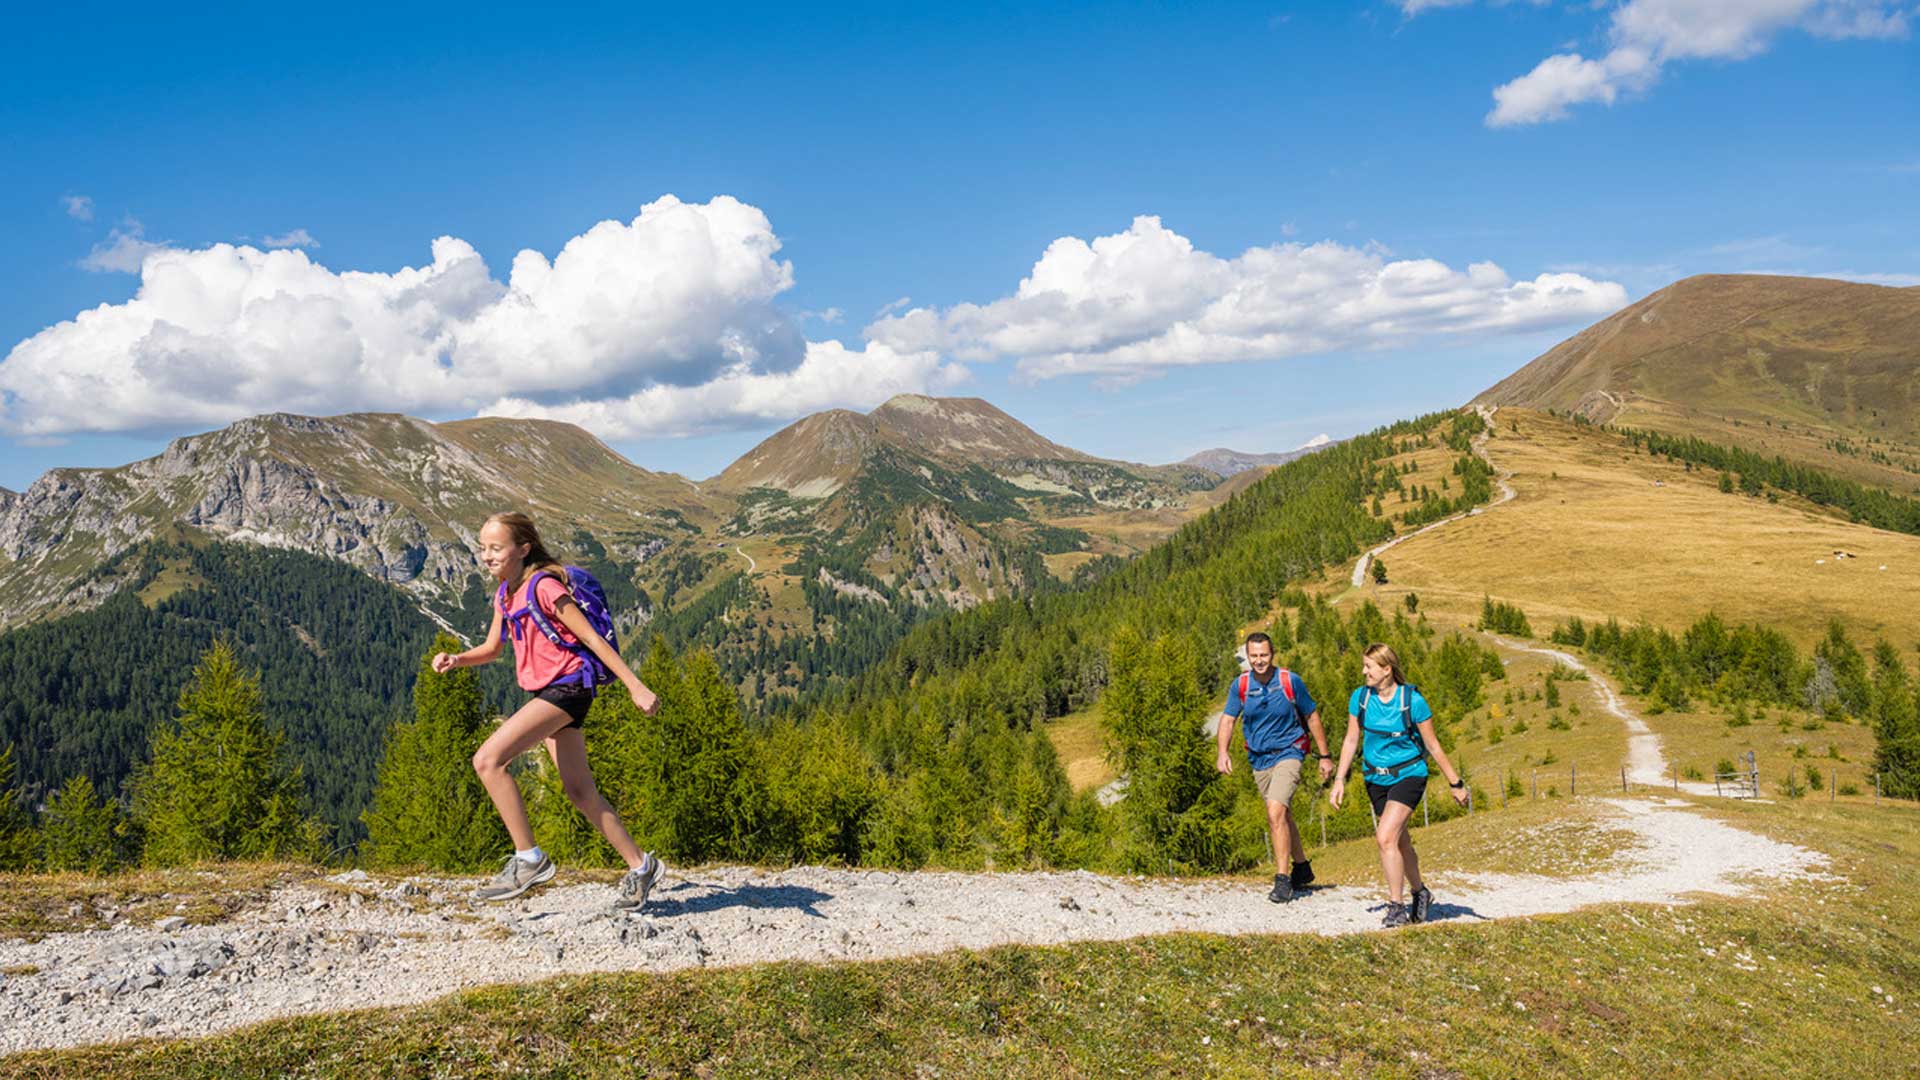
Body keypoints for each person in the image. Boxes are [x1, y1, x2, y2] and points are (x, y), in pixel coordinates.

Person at [432, 511, 665, 908]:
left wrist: (635, 685)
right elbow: (492, 649)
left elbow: (591, 637)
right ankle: (642, 866)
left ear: (523, 549)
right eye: (482, 548)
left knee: (488, 760)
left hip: (569, 687)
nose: (486, 556)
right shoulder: (505, 592)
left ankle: (529, 860)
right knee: (580, 791)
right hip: (553, 690)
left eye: (496, 548)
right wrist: (458, 659)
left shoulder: (543, 587)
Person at [1328, 643, 1468, 927]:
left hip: (1409, 775)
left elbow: (1433, 745)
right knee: (1400, 840)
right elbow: (1351, 740)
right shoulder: (1361, 698)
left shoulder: (1413, 701)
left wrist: (1456, 783)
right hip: (1375, 778)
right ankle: (1420, 892)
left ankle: (1396, 907)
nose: (1363, 671)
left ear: (1386, 669)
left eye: (1369, 666)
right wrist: (1339, 779)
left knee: (1386, 838)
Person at [1215, 632, 1333, 902]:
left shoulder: (1289, 681)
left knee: (1275, 811)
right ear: (1247, 656)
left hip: (1290, 752)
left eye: (1264, 655)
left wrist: (1325, 755)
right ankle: (1302, 868)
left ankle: (1283, 880)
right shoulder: (1241, 685)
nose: (1259, 661)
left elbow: (1311, 716)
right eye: (1254, 656)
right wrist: (1222, 752)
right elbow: (1228, 720)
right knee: (1283, 815)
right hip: (1259, 758)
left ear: (1273, 654)